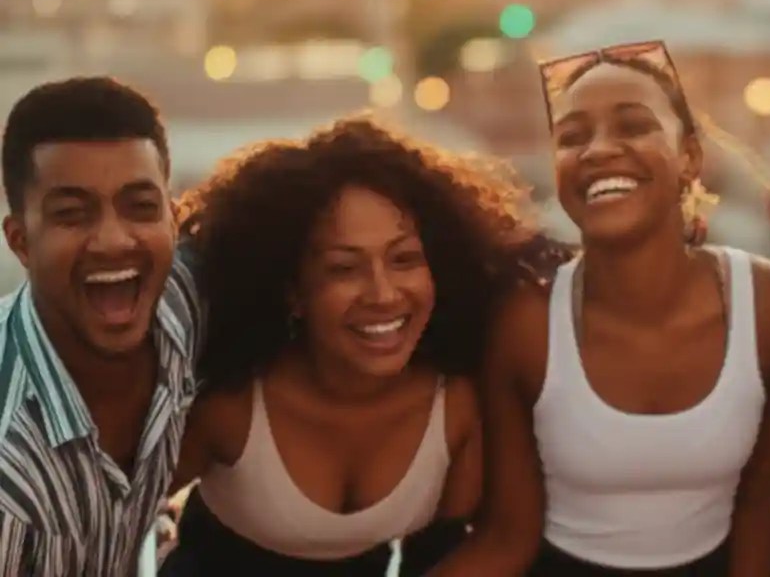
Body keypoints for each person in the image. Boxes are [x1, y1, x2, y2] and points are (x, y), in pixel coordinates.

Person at [431, 41, 770, 576]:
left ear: (690, 158)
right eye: (572, 137)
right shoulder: (526, 322)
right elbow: (509, 536)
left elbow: (760, 508)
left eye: (633, 126)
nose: (597, 150)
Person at [162, 117, 566, 576]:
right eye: (343, 268)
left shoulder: (457, 407)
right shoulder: (230, 404)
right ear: (293, 291)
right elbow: (118, 517)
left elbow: (460, 551)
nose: (383, 294)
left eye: (404, 259)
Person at [0, 77, 201, 576]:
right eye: (72, 215)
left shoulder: (189, 303)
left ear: (173, 218)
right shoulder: (11, 469)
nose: (113, 240)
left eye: (141, 207)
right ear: (21, 241)